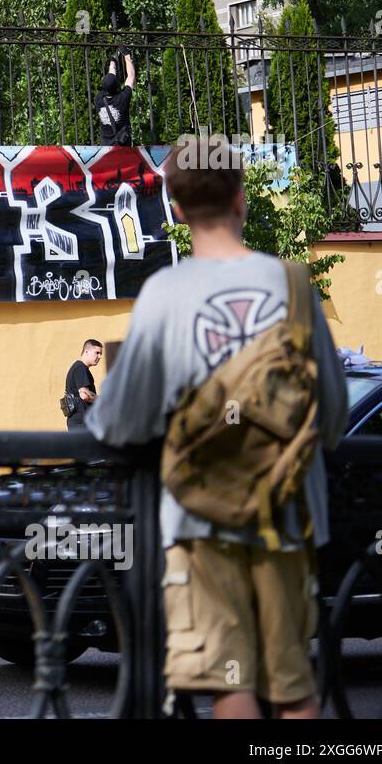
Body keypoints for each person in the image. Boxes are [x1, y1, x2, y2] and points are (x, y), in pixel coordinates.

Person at [86, 141, 347, 719]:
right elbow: (332, 417)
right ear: (241, 198)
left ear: (175, 208)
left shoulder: (164, 295)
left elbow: (118, 420)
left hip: (201, 523)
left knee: (231, 683)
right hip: (288, 517)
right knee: (293, 685)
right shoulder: (296, 284)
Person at [95, 46, 136, 146]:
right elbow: (131, 75)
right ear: (117, 85)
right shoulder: (122, 98)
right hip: (122, 146)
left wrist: (113, 61)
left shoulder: (99, 99)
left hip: (106, 148)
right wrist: (126, 55)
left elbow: (111, 77)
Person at [63, 339, 103, 431]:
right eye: (97, 353)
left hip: (78, 422)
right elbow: (85, 395)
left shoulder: (78, 367)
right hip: (81, 423)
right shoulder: (80, 368)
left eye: (100, 354)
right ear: (86, 351)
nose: (100, 356)